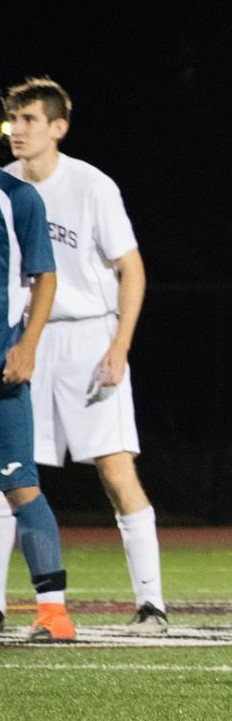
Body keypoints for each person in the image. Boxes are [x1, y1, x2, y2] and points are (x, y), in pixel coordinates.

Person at [0, 76, 167, 634]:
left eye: (28, 120)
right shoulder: (5, 187)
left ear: (58, 128)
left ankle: (151, 603)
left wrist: (119, 346)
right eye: (12, 119)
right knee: (10, 477)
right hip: (27, 341)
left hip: (88, 337)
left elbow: (132, 268)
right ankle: (13, 606)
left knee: (116, 472)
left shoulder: (92, 185)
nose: (16, 130)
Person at [1, 166, 76, 641]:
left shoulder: (17, 198)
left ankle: (54, 615)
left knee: (21, 486)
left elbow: (44, 276)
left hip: (2, 371)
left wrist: (27, 344)